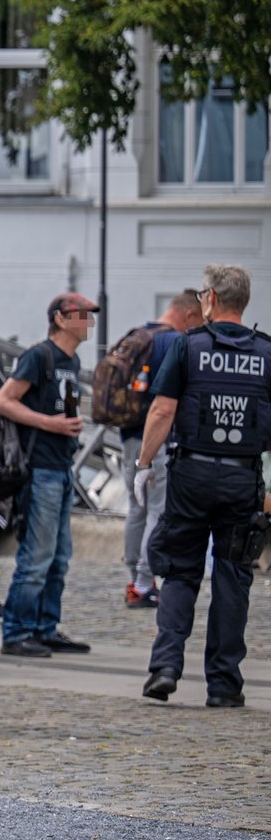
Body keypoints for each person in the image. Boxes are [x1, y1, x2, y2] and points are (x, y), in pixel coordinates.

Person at [135, 265, 269, 707]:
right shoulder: (266, 354)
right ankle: (225, 685)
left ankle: (166, 666)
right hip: (242, 477)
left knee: (179, 571)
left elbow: (161, 412)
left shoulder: (186, 347)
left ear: (209, 298)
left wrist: (142, 463)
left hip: (192, 475)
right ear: (243, 301)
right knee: (233, 578)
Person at [0, 290, 97, 658]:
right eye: (83, 315)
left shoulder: (72, 359)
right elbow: (3, 402)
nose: (90, 322)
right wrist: (49, 423)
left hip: (62, 468)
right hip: (40, 471)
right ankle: (17, 631)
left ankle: (44, 627)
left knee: (59, 557)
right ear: (61, 319)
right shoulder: (39, 356)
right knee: (36, 557)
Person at [115, 290, 204, 609]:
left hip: (128, 436)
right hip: (156, 438)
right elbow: (168, 405)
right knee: (157, 507)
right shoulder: (172, 342)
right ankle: (143, 582)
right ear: (190, 314)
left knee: (136, 507)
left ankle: (135, 578)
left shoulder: (138, 335)